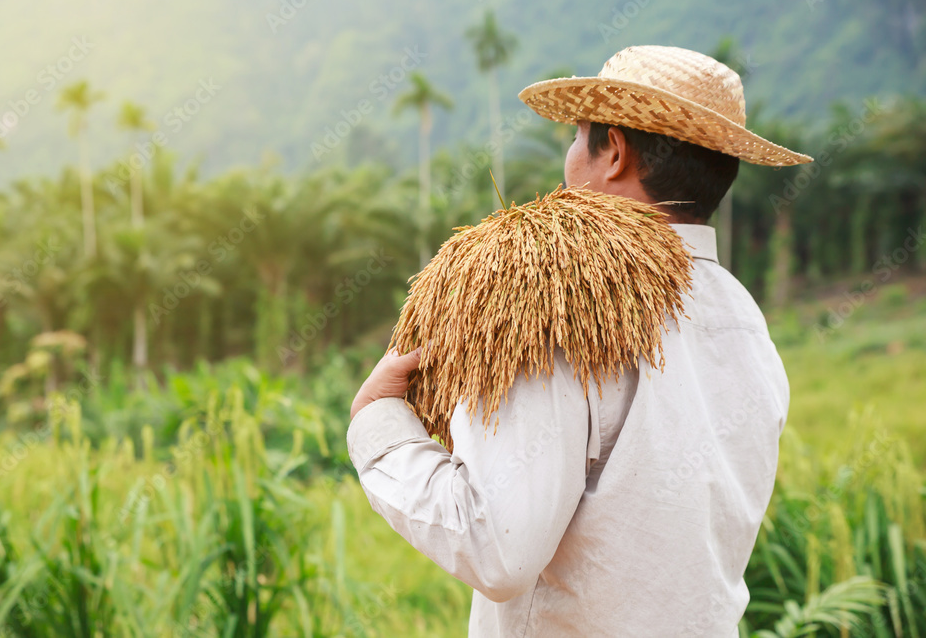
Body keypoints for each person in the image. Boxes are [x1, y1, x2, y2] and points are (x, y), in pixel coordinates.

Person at [347, 45, 812, 637]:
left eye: (576, 138)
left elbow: (498, 549)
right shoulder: (745, 322)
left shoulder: (556, 294)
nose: (567, 160)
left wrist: (376, 422)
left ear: (613, 152)